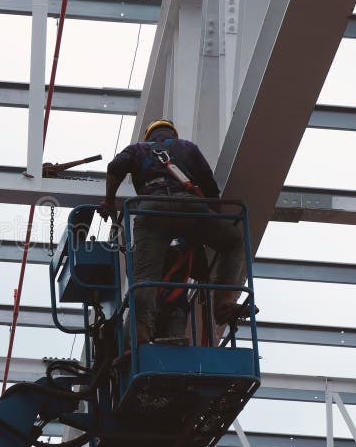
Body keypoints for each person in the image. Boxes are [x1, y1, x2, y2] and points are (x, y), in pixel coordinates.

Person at [98, 119, 247, 344]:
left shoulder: (138, 149)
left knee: (145, 278)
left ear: (149, 136)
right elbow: (210, 189)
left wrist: (109, 200)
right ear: (172, 135)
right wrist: (210, 226)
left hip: (152, 210)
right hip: (189, 209)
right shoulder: (186, 147)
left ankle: (140, 335)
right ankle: (224, 304)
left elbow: (115, 167)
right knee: (234, 240)